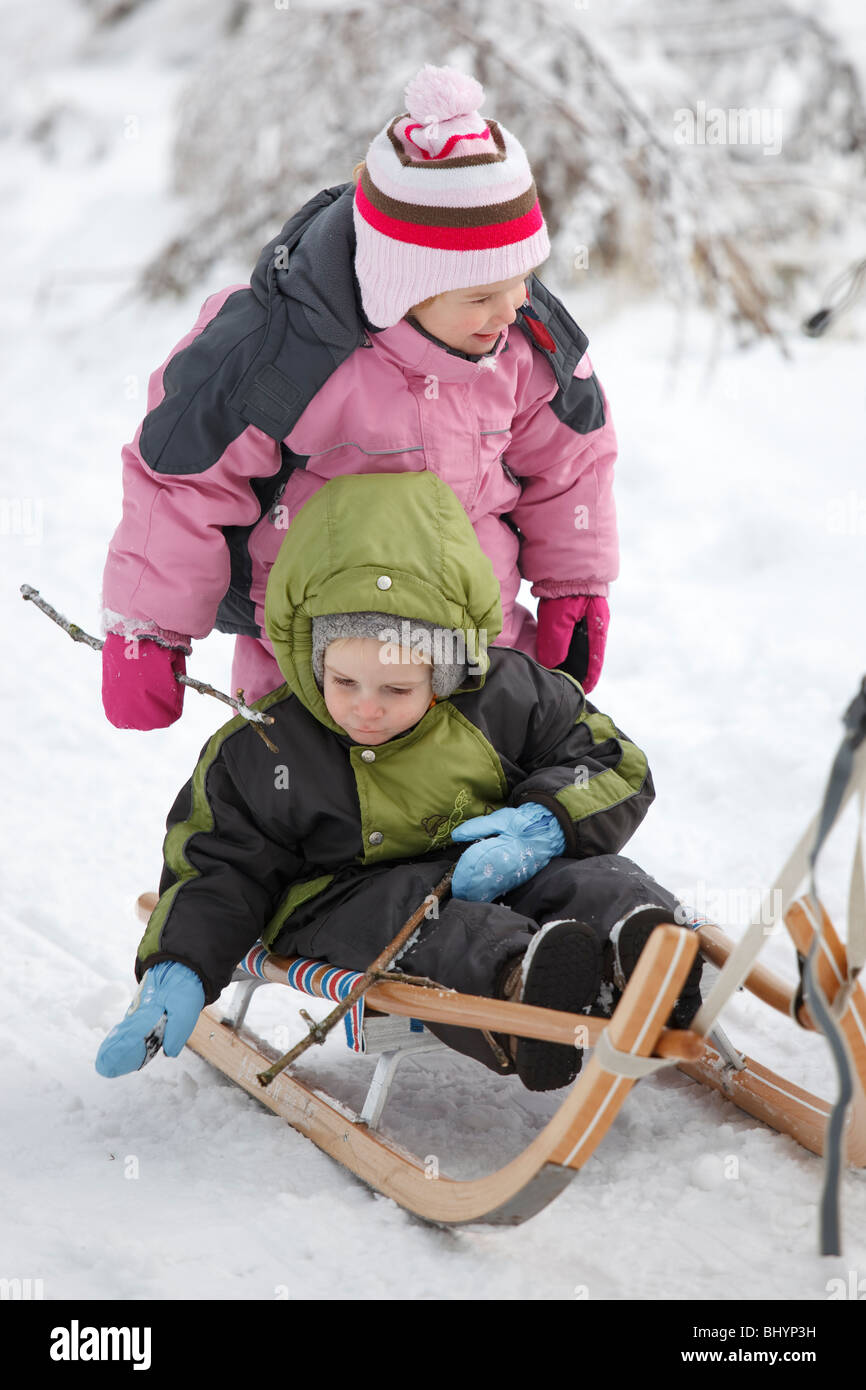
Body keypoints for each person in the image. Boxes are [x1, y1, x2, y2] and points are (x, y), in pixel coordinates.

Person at [96, 472, 700, 1092]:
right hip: (349, 899)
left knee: (595, 878)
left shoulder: (505, 693)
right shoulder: (269, 747)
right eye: (344, 683)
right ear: (312, 659)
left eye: (396, 690)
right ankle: (525, 989)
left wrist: (541, 824)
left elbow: (609, 760)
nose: (365, 709)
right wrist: (180, 966)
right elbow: (220, 866)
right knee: (427, 928)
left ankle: (641, 953)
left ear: (442, 670)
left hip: (500, 863)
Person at [100, 63, 618, 733]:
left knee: (481, 807)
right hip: (313, 665)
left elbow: (571, 464)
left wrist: (574, 582)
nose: (513, 306)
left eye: (522, 279)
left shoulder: (522, 347)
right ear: (404, 288)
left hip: (474, 645)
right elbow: (182, 480)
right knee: (313, 818)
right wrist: (148, 627)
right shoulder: (283, 350)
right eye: (482, 295)